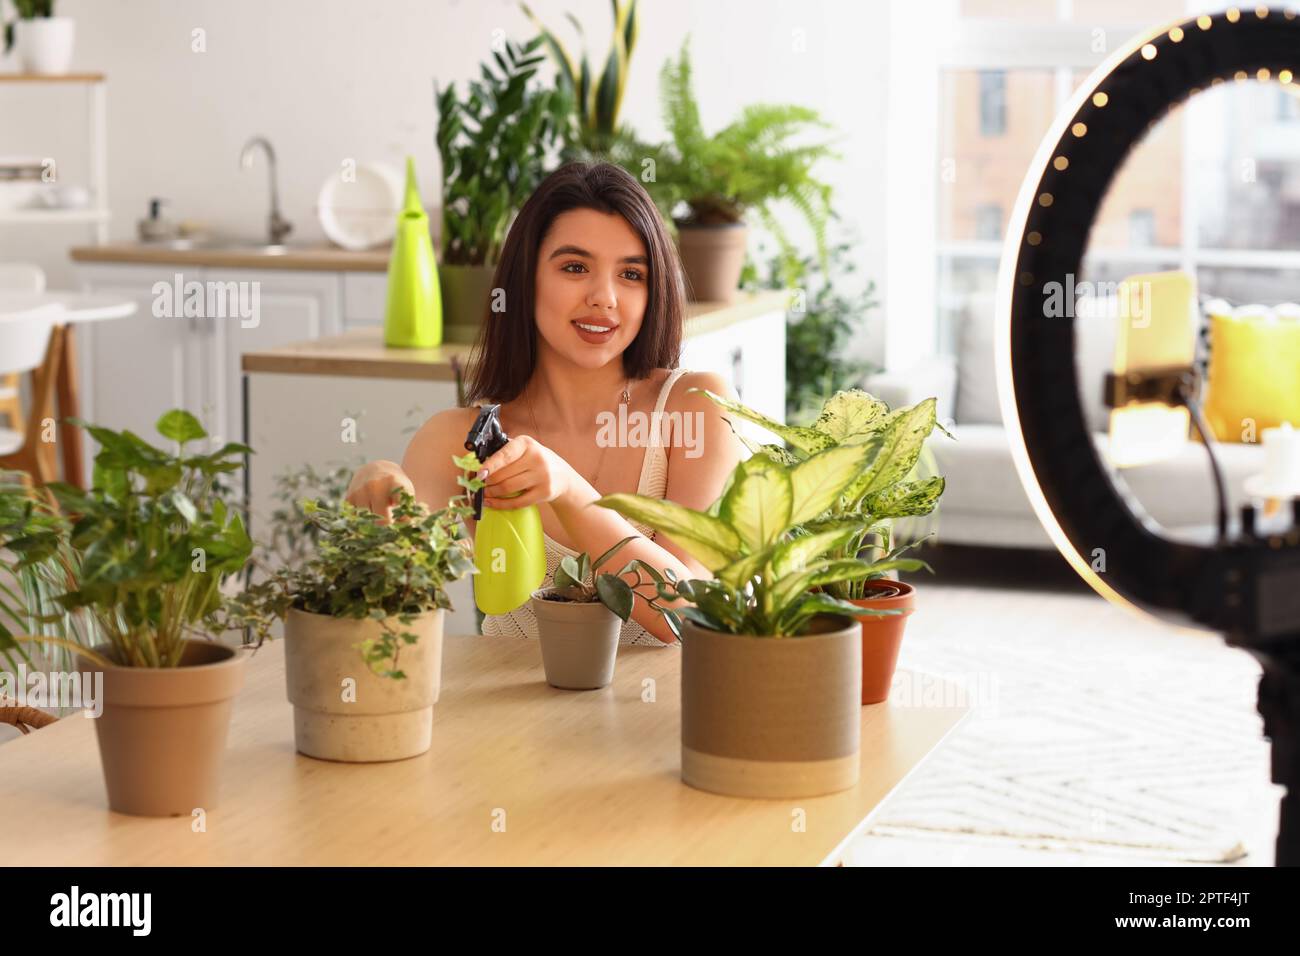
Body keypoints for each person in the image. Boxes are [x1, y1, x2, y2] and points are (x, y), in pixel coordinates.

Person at [345, 161, 741, 645]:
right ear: (525, 279)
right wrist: (375, 490)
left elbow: (689, 614)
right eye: (575, 268)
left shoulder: (695, 408)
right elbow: (392, 601)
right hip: (514, 720)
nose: (604, 297)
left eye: (632, 274)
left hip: (664, 717)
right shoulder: (458, 439)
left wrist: (571, 493)